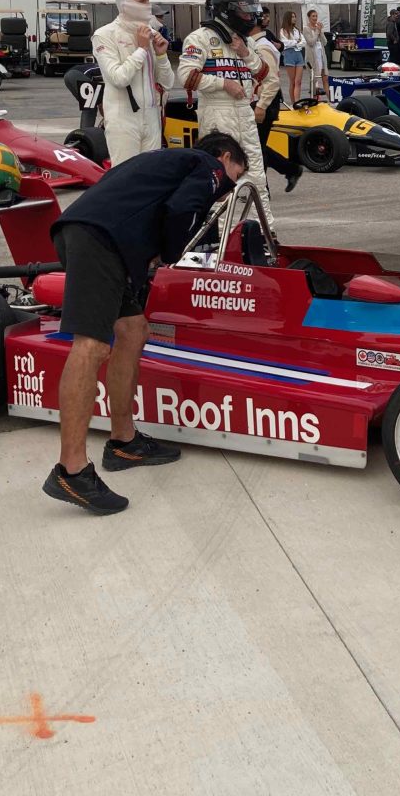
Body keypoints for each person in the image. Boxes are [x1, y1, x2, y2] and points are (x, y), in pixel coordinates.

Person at [42, 134, 248, 514]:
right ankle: (70, 472)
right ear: (224, 157)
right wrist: (170, 254)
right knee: (92, 344)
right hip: (99, 238)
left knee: (133, 330)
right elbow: (182, 209)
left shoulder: (165, 163)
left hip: (98, 235)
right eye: (235, 176)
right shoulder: (208, 167)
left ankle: (123, 441)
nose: (225, 191)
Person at [177, 0, 275, 232]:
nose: (250, 16)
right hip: (217, 112)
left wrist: (245, 52)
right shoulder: (200, 38)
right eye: (244, 11)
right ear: (226, 10)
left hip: (244, 111)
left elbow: (263, 72)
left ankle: (263, 234)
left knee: (256, 177)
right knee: (220, 178)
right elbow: (186, 76)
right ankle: (217, 238)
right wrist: (223, 84)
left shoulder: (245, 42)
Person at [91, 0, 175, 165]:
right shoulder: (105, 35)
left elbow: (167, 82)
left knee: (150, 176)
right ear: (125, 4)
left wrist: (161, 55)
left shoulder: (151, 33)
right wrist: (142, 49)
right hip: (123, 119)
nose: (148, 5)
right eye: (142, 1)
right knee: (124, 179)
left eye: (148, 0)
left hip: (152, 117)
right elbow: (118, 78)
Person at [250, 11, 303, 193]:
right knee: (256, 146)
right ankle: (290, 169)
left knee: (256, 148)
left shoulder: (262, 46)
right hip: (261, 100)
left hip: (265, 101)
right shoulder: (256, 43)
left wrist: (261, 105)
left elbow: (271, 80)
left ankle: (260, 189)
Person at [278, 11, 305, 108]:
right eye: (292, 17)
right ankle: (293, 103)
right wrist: (296, 42)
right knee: (292, 81)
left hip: (298, 54)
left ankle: (297, 101)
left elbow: (303, 42)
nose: (294, 18)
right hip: (289, 54)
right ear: (288, 18)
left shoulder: (297, 30)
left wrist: (295, 42)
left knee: (298, 81)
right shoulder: (283, 30)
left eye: (295, 16)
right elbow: (285, 43)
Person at [302, 8, 329, 98]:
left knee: (325, 78)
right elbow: (311, 42)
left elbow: (325, 42)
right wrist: (317, 31)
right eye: (313, 16)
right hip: (312, 58)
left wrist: (321, 32)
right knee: (314, 80)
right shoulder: (306, 29)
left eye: (316, 16)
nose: (315, 18)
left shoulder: (319, 28)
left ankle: (329, 100)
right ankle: (314, 100)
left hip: (321, 56)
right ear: (309, 18)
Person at [385, 8, 400, 75]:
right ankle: (385, 69)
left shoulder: (394, 22)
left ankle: (390, 70)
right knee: (393, 58)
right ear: (392, 14)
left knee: (394, 57)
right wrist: (394, 39)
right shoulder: (390, 23)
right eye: (395, 14)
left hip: (394, 42)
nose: (397, 15)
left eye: (397, 14)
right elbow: (389, 33)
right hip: (392, 43)